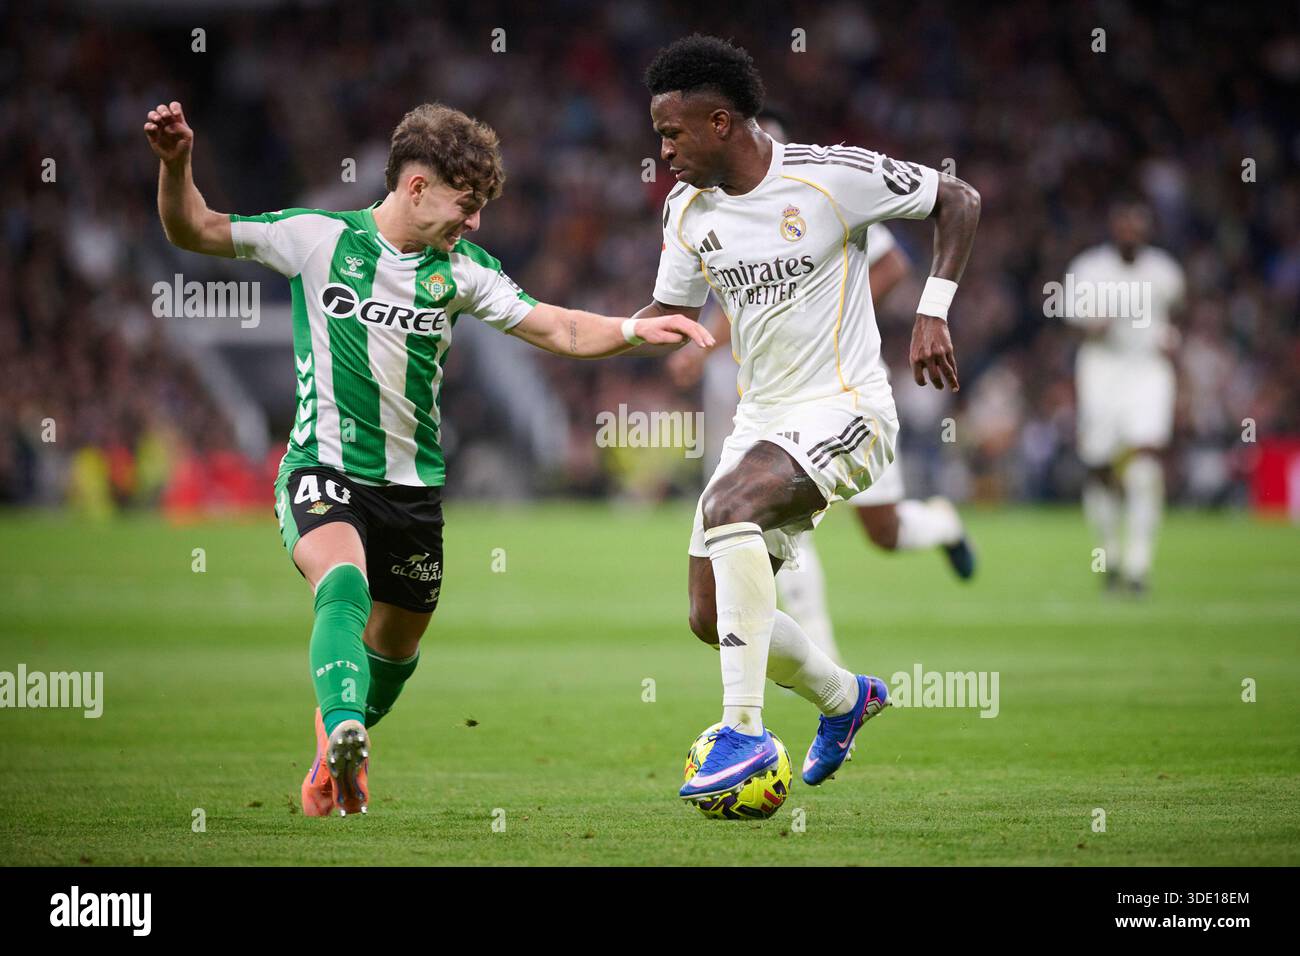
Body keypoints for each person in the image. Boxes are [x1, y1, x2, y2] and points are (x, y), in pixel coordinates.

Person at [144, 100, 711, 816]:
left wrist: (635, 328)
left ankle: (333, 751)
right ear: (416, 188)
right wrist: (175, 164)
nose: (475, 222)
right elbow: (193, 227)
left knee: (398, 651)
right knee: (341, 584)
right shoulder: (315, 238)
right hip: (323, 470)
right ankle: (346, 723)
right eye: (466, 204)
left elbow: (558, 327)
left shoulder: (463, 271)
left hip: (412, 494)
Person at [631, 35, 980, 802]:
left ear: (720, 122)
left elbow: (959, 199)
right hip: (760, 420)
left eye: (672, 133)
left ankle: (743, 731)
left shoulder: (830, 177)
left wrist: (932, 311)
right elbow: (670, 311)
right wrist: (573, 330)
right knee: (708, 614)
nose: (663, 152)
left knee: (730, 507)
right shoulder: (688, 212)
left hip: (848, 408)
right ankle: (845, 699)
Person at [668, 109, 975, 668]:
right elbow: (738, 302)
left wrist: (841, 309)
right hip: (768, 413)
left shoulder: (823, 189)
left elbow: (892, 263)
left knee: (883, 532)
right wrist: (699, 344)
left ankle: (942, 523)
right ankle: (831, 678)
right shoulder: (709, 210)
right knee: (754, 533)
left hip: (844, 401)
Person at [1063, 197, 1185, 594]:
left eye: (1137, 226)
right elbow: (1074, 323)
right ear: (1113, 229)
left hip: (1148, 371)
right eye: (1124, 226)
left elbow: (1178, 315)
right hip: (1102, 369)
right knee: (1100, 465)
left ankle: (1138, 564)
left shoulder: (1165, 271)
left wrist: (1172, 342)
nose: (1130, 233)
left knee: (1145, 464)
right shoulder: (1088, 270)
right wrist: (1094, 325)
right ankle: (1109, 553)